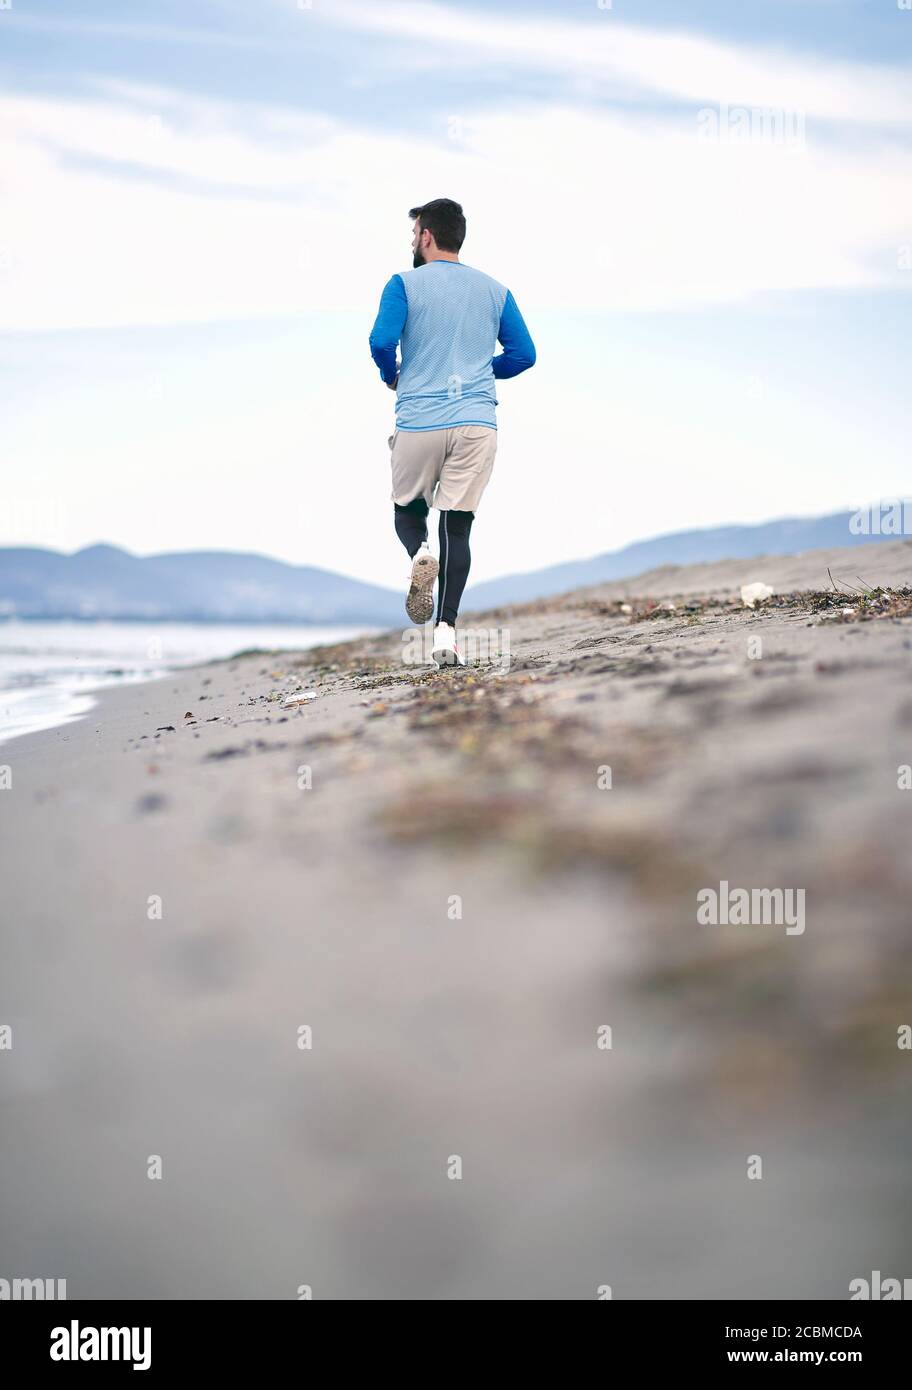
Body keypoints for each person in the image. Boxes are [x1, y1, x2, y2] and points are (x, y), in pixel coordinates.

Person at [369, 198, 536, 665]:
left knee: (407, 510)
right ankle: (445, 634)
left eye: (414, 233)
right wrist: (482, 370)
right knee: (458, 527)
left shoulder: (403, 284)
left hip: (419, 417)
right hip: (477, 424)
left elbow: (381, 341)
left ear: (425, 235)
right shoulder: (496, 290)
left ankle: (419, 552)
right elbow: (524, 355)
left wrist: (392, 375)